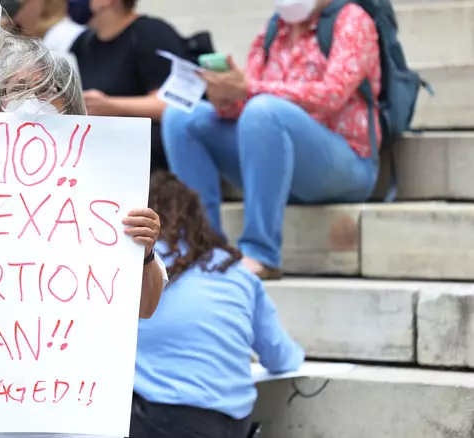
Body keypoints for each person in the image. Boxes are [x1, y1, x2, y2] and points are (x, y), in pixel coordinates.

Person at [0, 10, 167, 437]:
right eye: (16, 89)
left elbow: (145, 306)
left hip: (70, 413)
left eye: (44, 89)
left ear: (69, 102)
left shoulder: (108, 187)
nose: (30, 100)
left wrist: (145, 254)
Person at [161, 0, 381, 279]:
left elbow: (332, 94)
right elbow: (246, 104)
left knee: (264, 110)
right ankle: (202, 247)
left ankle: (260, 252)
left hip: (345, 164)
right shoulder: (274, 29)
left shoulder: (352, 19)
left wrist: (249, 89)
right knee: (181, 118)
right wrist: (225, 97)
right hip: (277, 158)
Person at [130, 171, 304, 438]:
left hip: (162, 420)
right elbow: (281, 357)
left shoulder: (138, 265)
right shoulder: (235, 269)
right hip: (235, 425)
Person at [69, 0, 191, 172]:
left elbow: (174, 105)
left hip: (145, 154)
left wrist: (111, 106)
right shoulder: (82, 43)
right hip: (97, 143)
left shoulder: (152, 34)